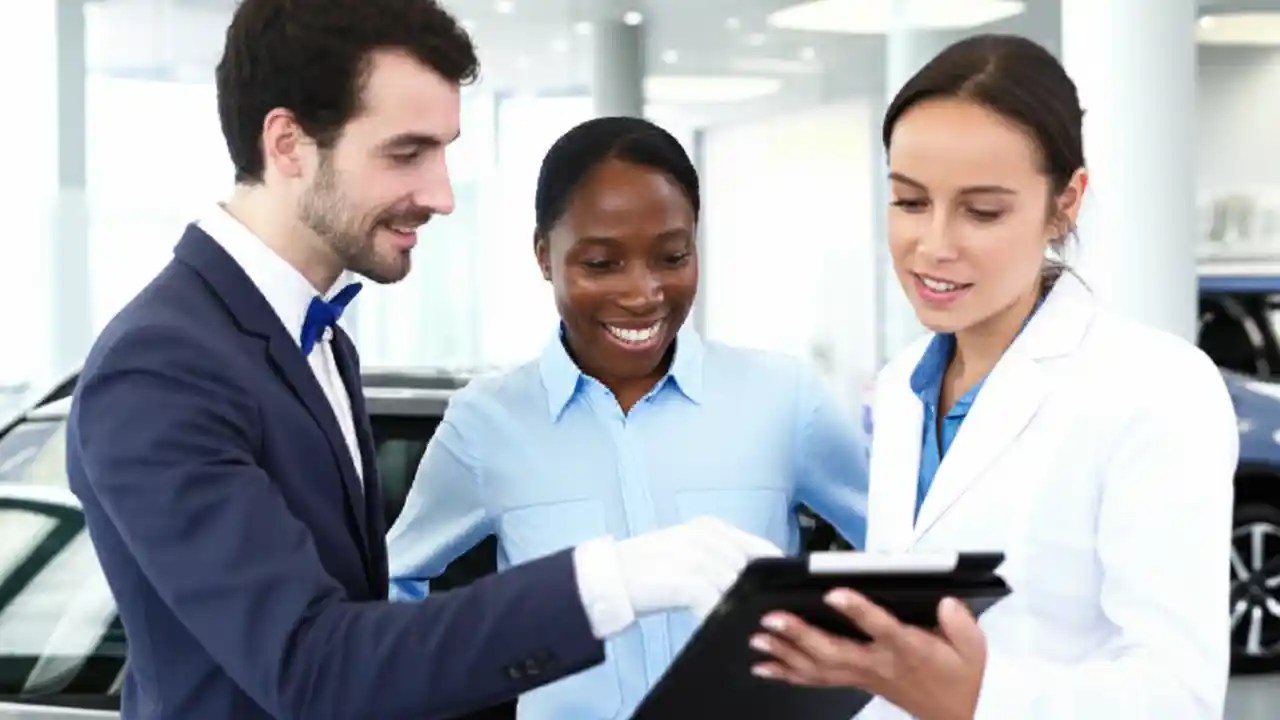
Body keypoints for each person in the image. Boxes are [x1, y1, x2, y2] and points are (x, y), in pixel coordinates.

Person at [63, 2, 781, 719]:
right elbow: (312, 667)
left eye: (443, 152)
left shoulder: (319, 340)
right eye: (406, 154)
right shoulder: (159, 368)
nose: (441, 196)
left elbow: (370, 646)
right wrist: (612, 579)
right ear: (288, 144)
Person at [748, 34, 1238, 720]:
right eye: (909, 202)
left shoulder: (1156, 388)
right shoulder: (902, 388)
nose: (934, 245)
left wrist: (978, 698)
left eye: (982, 211)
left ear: (1066, 202)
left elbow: (1178, 697)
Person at [385, 116, 871, 720]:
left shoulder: (783, 399)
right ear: (544, 255)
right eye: (601, 263)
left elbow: (910, 562)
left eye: (673, 256)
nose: (644, 293)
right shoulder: (487, 425)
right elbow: (390, 592)